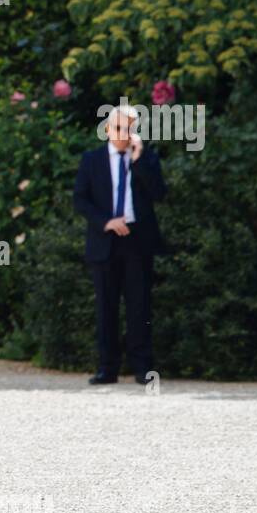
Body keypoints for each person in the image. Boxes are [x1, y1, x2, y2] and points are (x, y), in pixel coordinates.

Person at [72, 104, 168, 385]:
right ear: (107, 130)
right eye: (118, 128)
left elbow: (159, 193)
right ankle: (107, 367)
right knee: (106, 307)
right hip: (105, 241)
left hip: (137, 241)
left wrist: (138, 160)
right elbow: (80, 199)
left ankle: (142, 367)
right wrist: (106, 221)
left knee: (140, 306)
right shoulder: (92, 160)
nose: (123, 134)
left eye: (129, 128)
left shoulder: (146, 159)